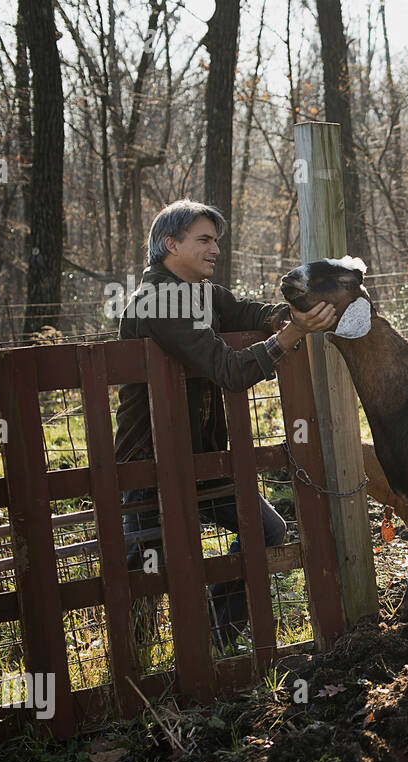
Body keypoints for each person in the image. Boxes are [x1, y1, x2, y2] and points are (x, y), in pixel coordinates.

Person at [113, 199, 337, 652]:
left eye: (216, 240)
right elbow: (230, 371)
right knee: (146, 575)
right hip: (151, 464)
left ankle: (216, 640)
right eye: (204, 240)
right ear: (170, 244)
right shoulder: (157, 300)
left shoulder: (203, 294)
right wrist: (291, 336)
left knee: (268, 531)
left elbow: (248, 314)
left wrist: (292, 311)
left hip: (204, 459)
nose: (215, 249)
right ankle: (133, 670)